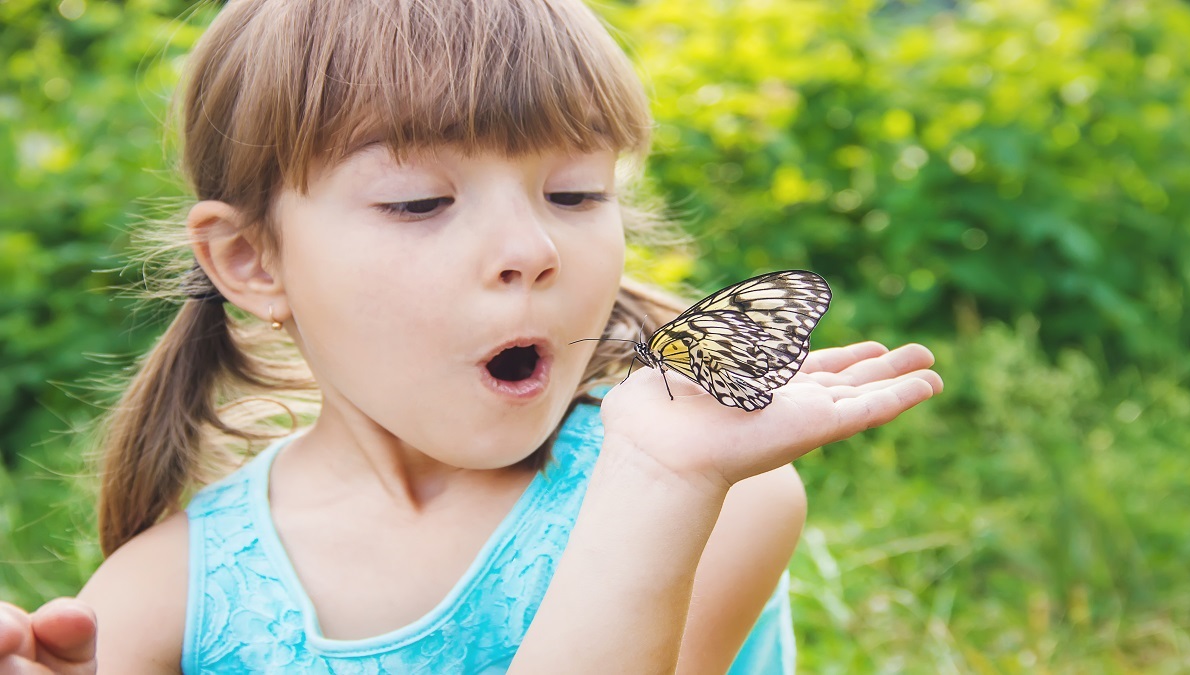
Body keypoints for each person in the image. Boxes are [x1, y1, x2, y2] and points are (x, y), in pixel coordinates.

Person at [0, 0, 943, 672]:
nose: (531, 249)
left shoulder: (712, 489)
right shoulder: (171, 589)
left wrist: (664, 482)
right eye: (419, 201)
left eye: (575, 193)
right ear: (253, 261)